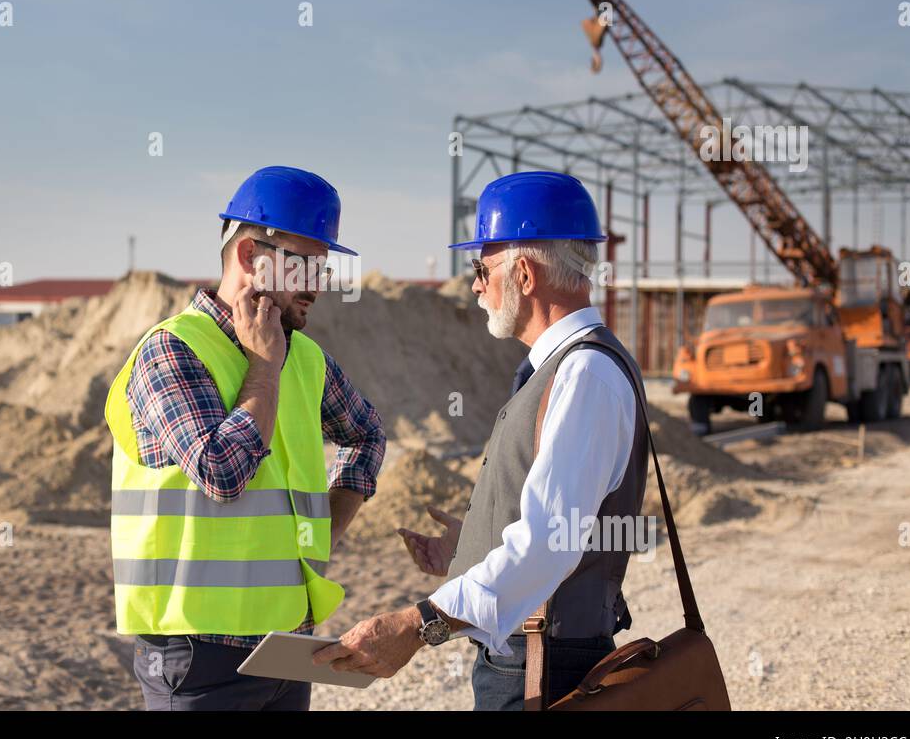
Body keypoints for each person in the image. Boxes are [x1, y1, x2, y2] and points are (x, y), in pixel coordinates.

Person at [313, 171, 648, 710]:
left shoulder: (584, 375)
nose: (474, 285)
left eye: (480, 268)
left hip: (548, 666)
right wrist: (471, 549)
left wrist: (417, 625)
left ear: (523, 272)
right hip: (531, 655)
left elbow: (549, 543)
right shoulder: (561, 369)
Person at [104, 165, 385, 710]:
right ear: (249, 257)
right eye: (306, 267)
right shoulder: (172, 350)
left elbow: (366, 436)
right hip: (196, 659)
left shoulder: (304, 357)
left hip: (285, 648)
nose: (318, 287)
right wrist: (261, 366)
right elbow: (221, 473)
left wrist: (323, 531)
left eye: (324, 269)